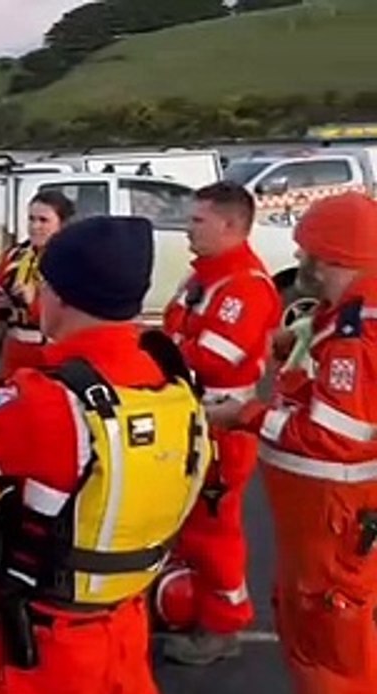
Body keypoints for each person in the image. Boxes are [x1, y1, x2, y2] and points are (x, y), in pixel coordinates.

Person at [0, 215, 213, 694]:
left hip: (45, 648)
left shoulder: (51, 405)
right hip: (126, 625)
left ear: (57, 295)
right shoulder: (170, 383)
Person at [206, 193, 377, 694]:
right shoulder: (341, 317)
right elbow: (325, 332)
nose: (302, 264)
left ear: (337, 260)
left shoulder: (355, 337)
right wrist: (298, 336)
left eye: (310, 254)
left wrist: (247, 415)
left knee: (332, 635)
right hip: (317, 519)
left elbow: (332, 434)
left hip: (332, 516)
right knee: (308, 624)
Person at [158, 181, 281, 664]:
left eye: (197, 220)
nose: (188, 227)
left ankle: (224, 625)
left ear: (229, 225)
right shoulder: (204, 279)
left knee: (214, 531)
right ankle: (194, 605)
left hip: (221, 424)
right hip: (194, 417)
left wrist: (166, 351)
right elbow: (175, 333)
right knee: (191, 529)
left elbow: (216, 359)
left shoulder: (244, 285)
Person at [0, 190, 75, 374]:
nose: (34, 226)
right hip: (15, 353)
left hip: (51, 354)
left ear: (62, 224)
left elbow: (72, 313)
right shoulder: (16, 255)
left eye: (43, 220)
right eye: (31, 219)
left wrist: (32, 302)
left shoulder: (70, 259)